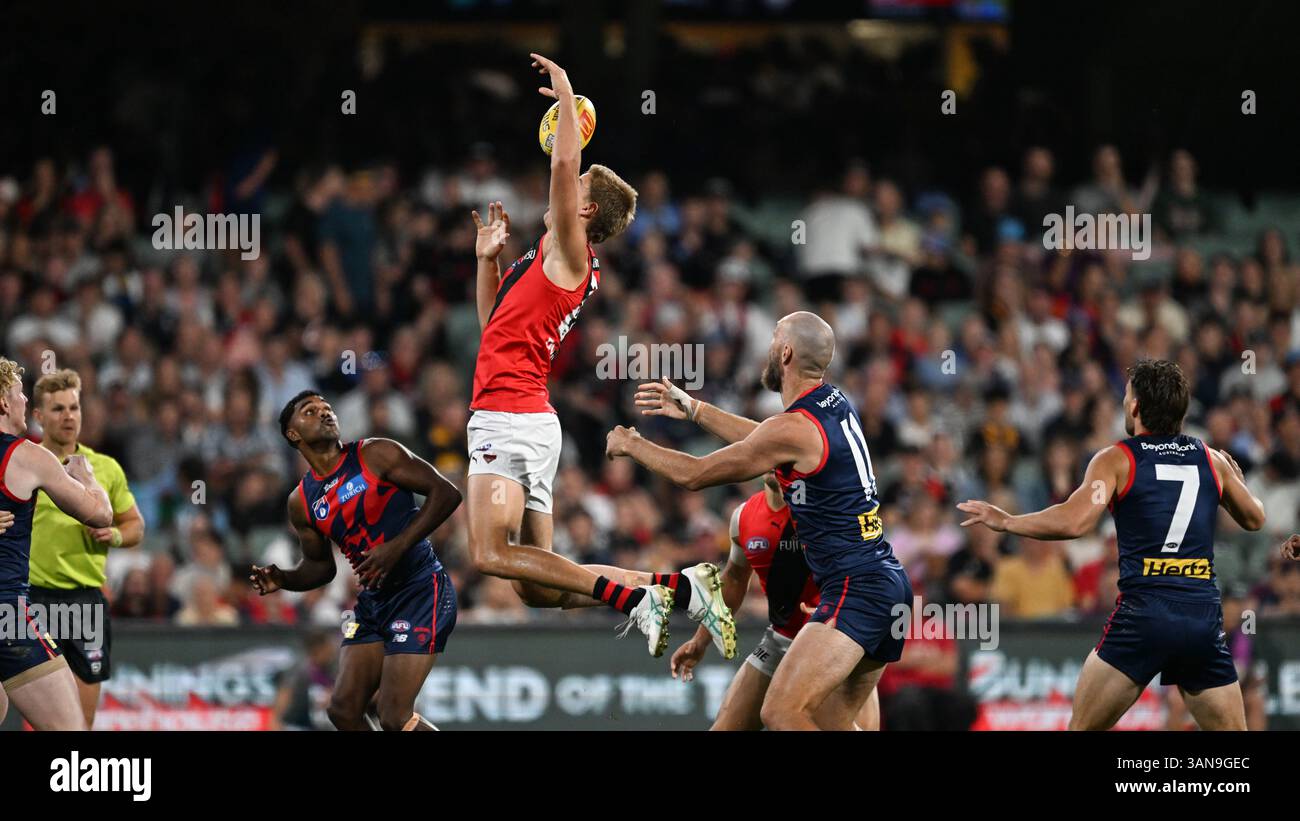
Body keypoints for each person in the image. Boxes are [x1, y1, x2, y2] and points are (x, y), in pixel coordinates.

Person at [464, 52, 733, 659]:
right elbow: (491, 328)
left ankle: (637, 603)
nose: (567, 185)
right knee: (541, 591)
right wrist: (487, 263)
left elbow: (562, 159)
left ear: (584, 210)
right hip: (530, 420)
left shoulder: (569, 250)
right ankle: (681, 589)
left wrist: (565, 94)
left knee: (488, 553)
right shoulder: (550, 262)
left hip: (507, 416)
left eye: (578, 188)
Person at [610, 312, 912, 730]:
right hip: (884, 582)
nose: (769, 346)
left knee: (781, 713)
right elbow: (766, 438)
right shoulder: (833, 402)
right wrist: (695, 408)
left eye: (774, 338)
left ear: (785, 352)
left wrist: (633, 444)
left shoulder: (791, 429)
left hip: (854, 589)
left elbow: (695, 475)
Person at [958, 359, 1266, 730]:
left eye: (1126, 395)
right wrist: (1235, 477)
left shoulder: (1117, 459)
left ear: (1136, 407)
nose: (1124, 402)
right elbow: (1255, 518)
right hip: (1199, 618)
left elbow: (1075, 521)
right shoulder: (1211, 460)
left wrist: (1007, 521)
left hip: (1144, 618)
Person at [250, 392, 461, 731]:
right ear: (293, 434)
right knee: (343, 711)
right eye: (310, 411)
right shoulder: (301, 502)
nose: (324, 413)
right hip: (373, 603)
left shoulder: (375, 453)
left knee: (394, 716)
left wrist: (397, 546)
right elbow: (321, 569)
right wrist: (284, 579)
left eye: (326, 408)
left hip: (420, 589)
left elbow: (447, 493)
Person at [669, 473, 880, 730]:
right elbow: (734, 580)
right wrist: (700, 640)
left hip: (832, 640)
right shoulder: (743, 516)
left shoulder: (827, 507)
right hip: (781, 639)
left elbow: (869, 569)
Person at [27, 368, 145, 728]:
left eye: (74, 408)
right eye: (59, 408)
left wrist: (117, 536)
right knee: (32, 716)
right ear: (39, 416)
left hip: (83, 601)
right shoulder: (24, 462)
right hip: (30, 600)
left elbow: (135, 525)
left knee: (80, 721)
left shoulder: (104, 468)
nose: (68, 417)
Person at [0, 358, 114, 731]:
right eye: (18, 395)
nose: (22, 404)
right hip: (10, 617)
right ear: (4, 402)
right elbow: (100, 515)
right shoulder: (28, 456)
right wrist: (88, 478)